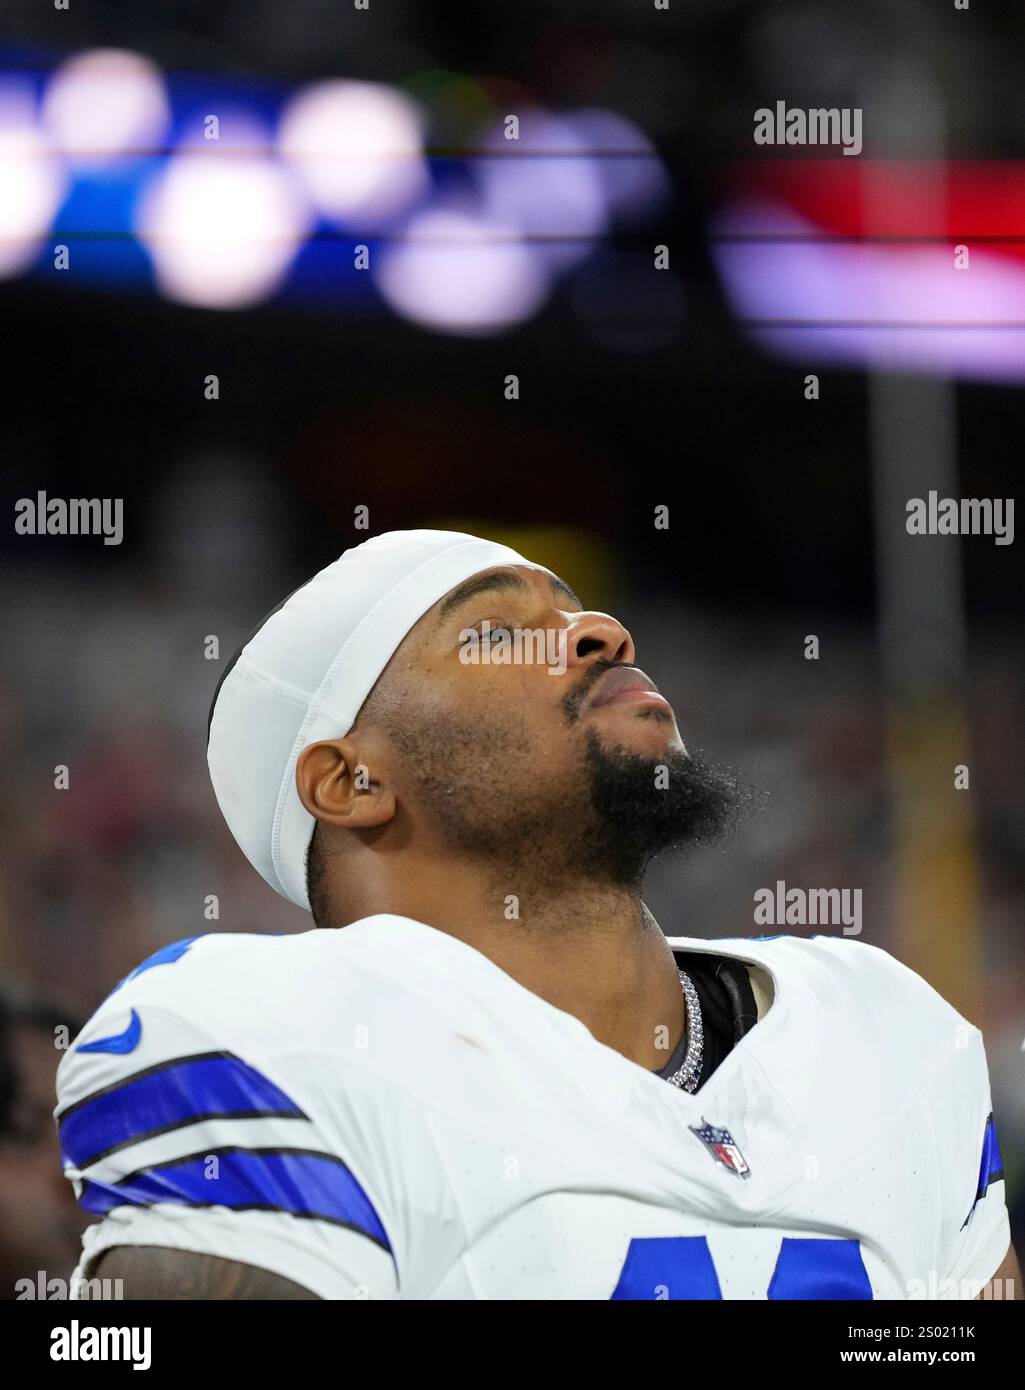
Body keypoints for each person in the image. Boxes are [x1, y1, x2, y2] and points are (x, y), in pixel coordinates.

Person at [54, 530, 1019, 1299]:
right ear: (351, 780)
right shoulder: (259, 1031)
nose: (602, 631)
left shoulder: (882, 1023)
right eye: (494, 630)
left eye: (578, 605)